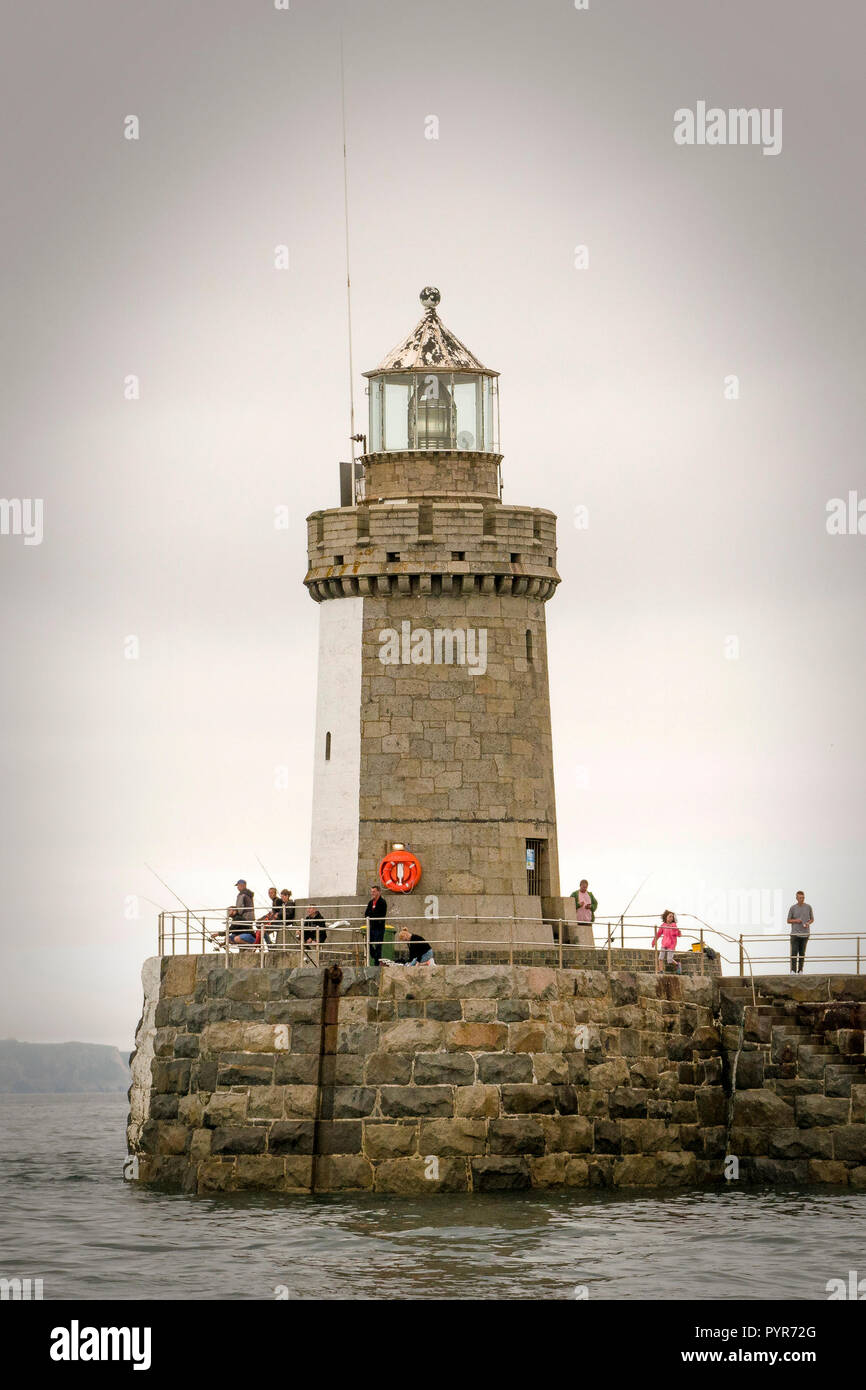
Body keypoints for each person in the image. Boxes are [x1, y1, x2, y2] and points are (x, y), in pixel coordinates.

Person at [787, 891, 814, 973]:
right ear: (796, 898)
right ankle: (793, 970)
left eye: (803, 898)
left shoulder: (808, 907)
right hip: (795, 934)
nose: (802, 899)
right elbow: (788, 920)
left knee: (802, 953)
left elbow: (812, 919)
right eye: (800, 898)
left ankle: (800, 970)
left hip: (805, 934)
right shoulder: (793, 908)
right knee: (794, 952)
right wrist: (796, 920)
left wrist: (808, 923)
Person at [365, 885, 388, 965]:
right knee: (368, 943)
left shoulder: (382, 902)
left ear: (379, 892)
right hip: (372, 927)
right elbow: (366, 914)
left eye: (374, 891)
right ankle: (376, 957)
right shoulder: (370, 902)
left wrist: (371, 914)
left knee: (378, 946)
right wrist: (372, 915)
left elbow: (380, 915)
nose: (372, 893)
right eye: (371, 892)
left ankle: (376, 964)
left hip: (379, 928)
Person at [228, 878, 256, 945]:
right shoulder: (249, 894)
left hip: (245, 916)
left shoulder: (242, 894)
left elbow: (240, 907)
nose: (237, 887)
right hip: (251, 916)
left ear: (242, 885)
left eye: (238, 885)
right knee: (248, 930)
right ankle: (249, 943)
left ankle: (249, 944)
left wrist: (236, 915)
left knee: (244, 931)